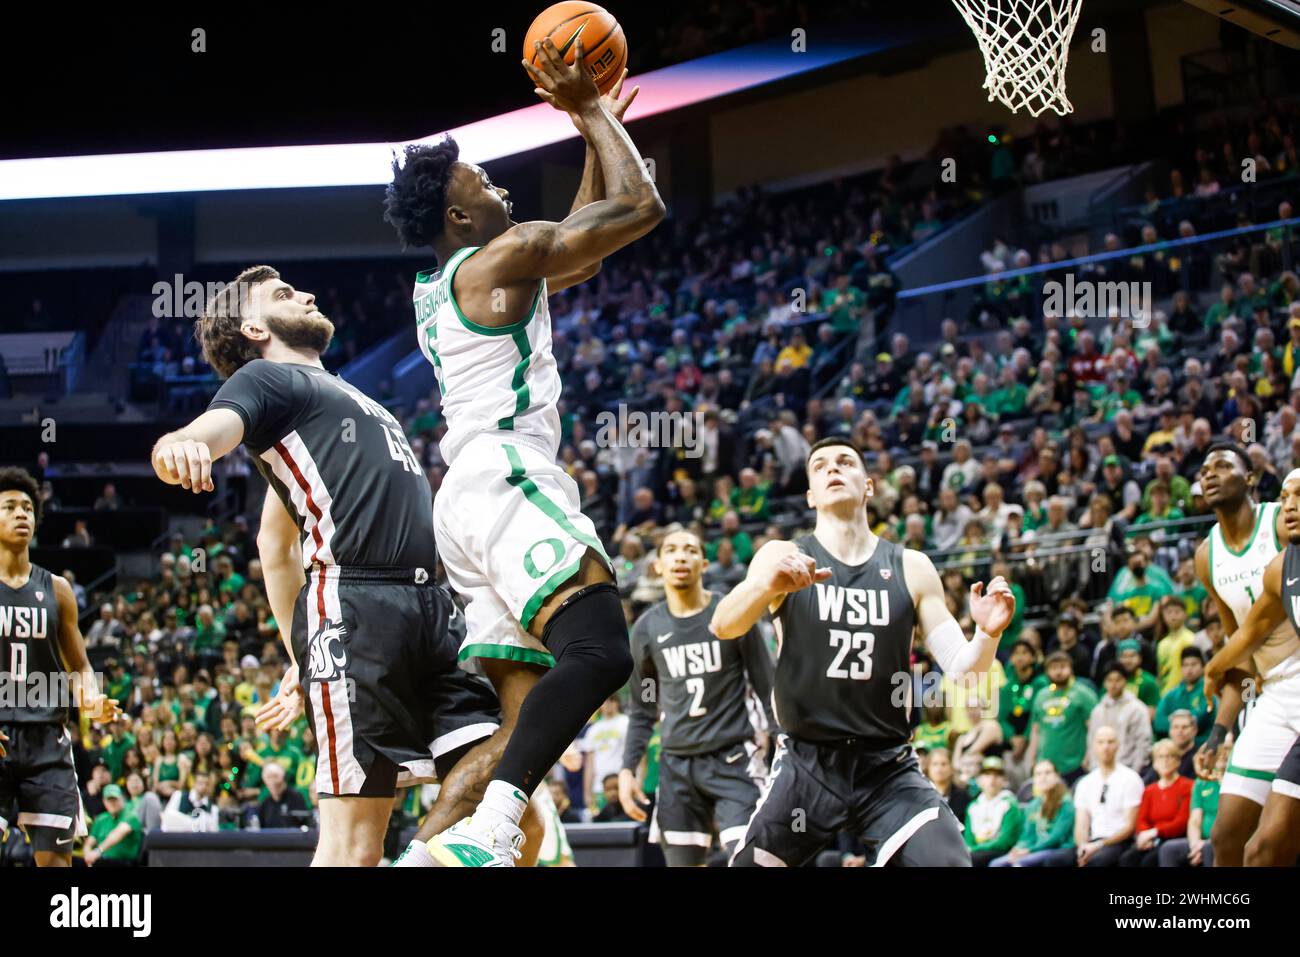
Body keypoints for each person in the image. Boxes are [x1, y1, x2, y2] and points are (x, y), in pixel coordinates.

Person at [385, 38, 663, 867]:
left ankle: (423, 858)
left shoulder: (454, 279)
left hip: (464, 499)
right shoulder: (498, 257)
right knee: (603, 648)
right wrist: (589, 109)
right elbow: (640, 207)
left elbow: (582, 238)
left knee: (516, 733)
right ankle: (493, 834)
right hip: (507, 474)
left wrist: (595, 128)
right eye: (481, 181)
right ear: (460, 217)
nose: (497, 183)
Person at [150, 269, 525, 867]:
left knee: (503, 799)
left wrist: (299, 658)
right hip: (355, 609)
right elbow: (212, 428)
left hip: (432, 607)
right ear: (254, 327)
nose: (305, 295)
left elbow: (275, 546)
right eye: (282, 296)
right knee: (355, 842)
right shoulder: (266, 378)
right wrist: (183, 442)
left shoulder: (336, 397)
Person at [712, 437, 1015, 866]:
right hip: (807, 763)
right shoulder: (784, 555)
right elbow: (724, 625)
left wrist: (987, 634)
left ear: (868, 486)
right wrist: (764, 586)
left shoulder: (912, 566)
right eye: (820, 466)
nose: (833, 469)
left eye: (845, 462)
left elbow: (965, 670)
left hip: (886, 765)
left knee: (949, 863)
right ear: (811, 495)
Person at [620, 528, 775, 866]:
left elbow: (768, 687)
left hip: (735, 760)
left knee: (751, 859)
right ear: (658, 565)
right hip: (676, 768)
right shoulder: (646, 630)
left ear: (704, 563)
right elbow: (644, 708)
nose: (680, 556)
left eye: (690, 550)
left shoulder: (731, 612)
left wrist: (785, 752)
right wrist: (628, 767)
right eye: (671, 550)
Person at [0, 467, 121, 867]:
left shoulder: (57, 590)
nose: (22, 514)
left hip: (47, 741)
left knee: (55, 863)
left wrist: (91, 699)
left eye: (28, 508)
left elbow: (80, 666)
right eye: (10, 507)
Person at [1191, 445, 1297, 865]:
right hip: (1271, 693)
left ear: (1250, 477)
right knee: (1226, 835)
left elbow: (1254, 629)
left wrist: (1215, 666)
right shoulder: (1207, 556)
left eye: (1222, 465)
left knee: (1270, 846)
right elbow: (1241, 653)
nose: (1209, 474)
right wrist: (1219, 733)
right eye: (1203, 470)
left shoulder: (1284, 519)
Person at [1072, 726, 1144, 867]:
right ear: (1093, 746)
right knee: (1058, 860)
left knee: (1098, 861)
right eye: (1101, 742)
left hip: (1120, 842)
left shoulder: (1130, 778)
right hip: (1092, 842)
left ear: (1118, 745)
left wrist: (1098, 845)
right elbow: (1081, 825)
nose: (1105, 747)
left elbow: (1130, 826)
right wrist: (1083, 846)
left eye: (1110, 742)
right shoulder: (1085, 783)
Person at [1027, 651, 1097, 785]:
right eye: (1054, 668)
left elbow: (1093, 729)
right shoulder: (1041, 695)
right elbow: (1035, 730)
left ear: (1071, 668)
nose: (1058, 672)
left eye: (1063, 667)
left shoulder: (1083, 694)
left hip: (1075, 763)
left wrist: (1090, 756)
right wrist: (1032, 759)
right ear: (1047, 671)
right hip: (1046, 765)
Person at [1120, 740, 1193, 867]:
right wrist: (1146, 836)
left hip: (1174, 837)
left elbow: (1182, 822)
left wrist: (1155, 832)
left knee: (1149, 861)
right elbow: (1141, 820)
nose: (1165, 761)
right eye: (1160, 757)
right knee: (1128, 859)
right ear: (1154, 763)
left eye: (1169, 756)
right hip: (1151, 838)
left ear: (1178, 761)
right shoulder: (1149, 790)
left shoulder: (1187, 786)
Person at [989, 760, 1075, 867]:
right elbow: (1026, 836)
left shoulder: (1066, 804)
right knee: (996, 864)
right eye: (1038, 774)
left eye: (1048, 773)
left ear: (1057, 776)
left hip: (1057, 849)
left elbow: (1056, 838)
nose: (1043, 777)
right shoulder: (1032, 806)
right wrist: (1018, 848)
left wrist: (1029, 850)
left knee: (1020, 864)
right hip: (1034, 849)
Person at [1158, 745, 1226, 867]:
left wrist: (1204, 845)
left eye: (1227, 748)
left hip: (1225, 840)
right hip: (1202, 841)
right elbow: (1195, 819)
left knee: (1209, 848)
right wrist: (1195, 844)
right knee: (1168, 849)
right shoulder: (1202, 781)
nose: (1223, 754)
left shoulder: (1236, 782)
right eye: (1220, 749)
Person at [1088, 664, 1153, 774]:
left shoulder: (1137, 708)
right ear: (1104, 683)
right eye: (1109, 680)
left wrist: (1135, 771)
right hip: (1101, 771)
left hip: (1129, 769)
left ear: (1125, 681)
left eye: (1118, 680)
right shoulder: (1097, 711)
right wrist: (1095, 770)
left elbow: (1143, 742)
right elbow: (1091, 742)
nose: (1114, 684)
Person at [964, 756, 1022, 866]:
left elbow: (1005, 842)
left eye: (997, 775)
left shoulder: (1010, 804)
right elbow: (968, 839)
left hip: (1000, 851)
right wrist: (971, 848)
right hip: (977, 852)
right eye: (987, 775)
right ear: (979, 780)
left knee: (971, 859)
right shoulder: (972, 807)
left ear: (1004, 780)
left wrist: (975, 848)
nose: (992, 780)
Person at [1154, 647, 1213, 745]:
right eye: (1185, 665)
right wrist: (1184, 723)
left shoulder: (1208, 692)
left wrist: (1172, 721)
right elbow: (1158, 722)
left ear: (1203, 667)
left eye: (1194, 664)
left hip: (1200, 746)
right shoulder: (1171, 694)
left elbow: (1200, 720)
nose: (1189, 669)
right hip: (1173, 748)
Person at [83, 784, 142, 867]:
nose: (112, 803)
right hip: (102, 861)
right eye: (109, 800)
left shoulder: (131, 815)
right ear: (104, 801)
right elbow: (89, 843)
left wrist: (98, 851)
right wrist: (88, 856)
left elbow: (118, 833)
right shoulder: (101, 818)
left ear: (122, 798)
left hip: (123, 862)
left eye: (115, 799)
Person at [257, 761, 310, 828]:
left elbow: (303, 823)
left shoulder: (296, 797)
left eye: (275, 776)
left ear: (283, 778)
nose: (273, 782)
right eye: (269, 777)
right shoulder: (265, 803)